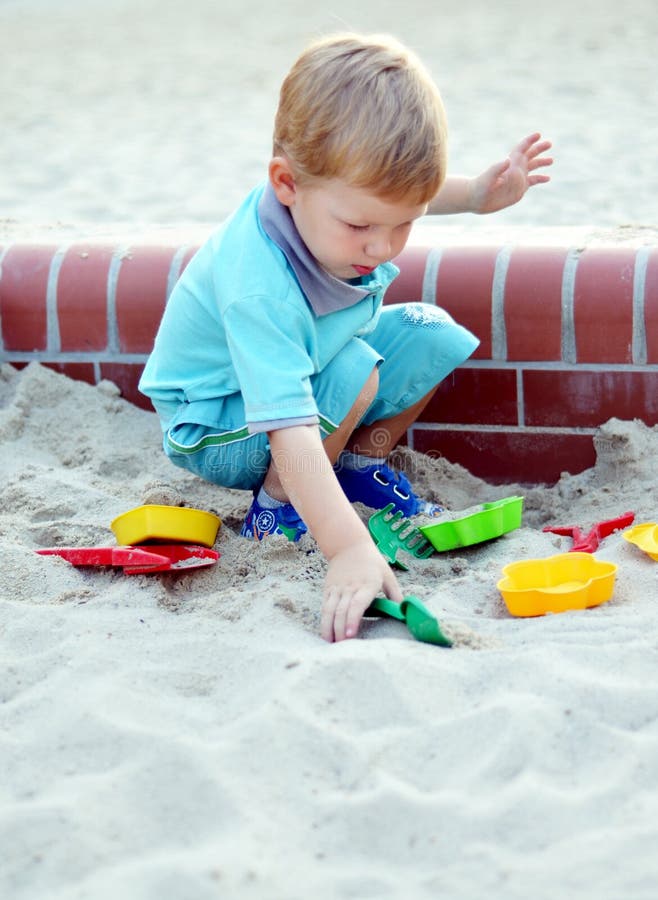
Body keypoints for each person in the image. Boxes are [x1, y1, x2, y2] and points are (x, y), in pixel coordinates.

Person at [139, 32, 552, 643]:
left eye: (403, 223)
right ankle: (277, 511)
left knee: (429, 334)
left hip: (310, 375)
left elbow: (388, 192)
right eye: (360, 225)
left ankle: (359, 465)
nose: (382, 247)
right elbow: (289, 428)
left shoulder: (338, 202)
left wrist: (476, 196)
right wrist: (349, 549)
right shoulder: (261, 286)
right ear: (287, 184)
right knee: (354, 369)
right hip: (217, 422)